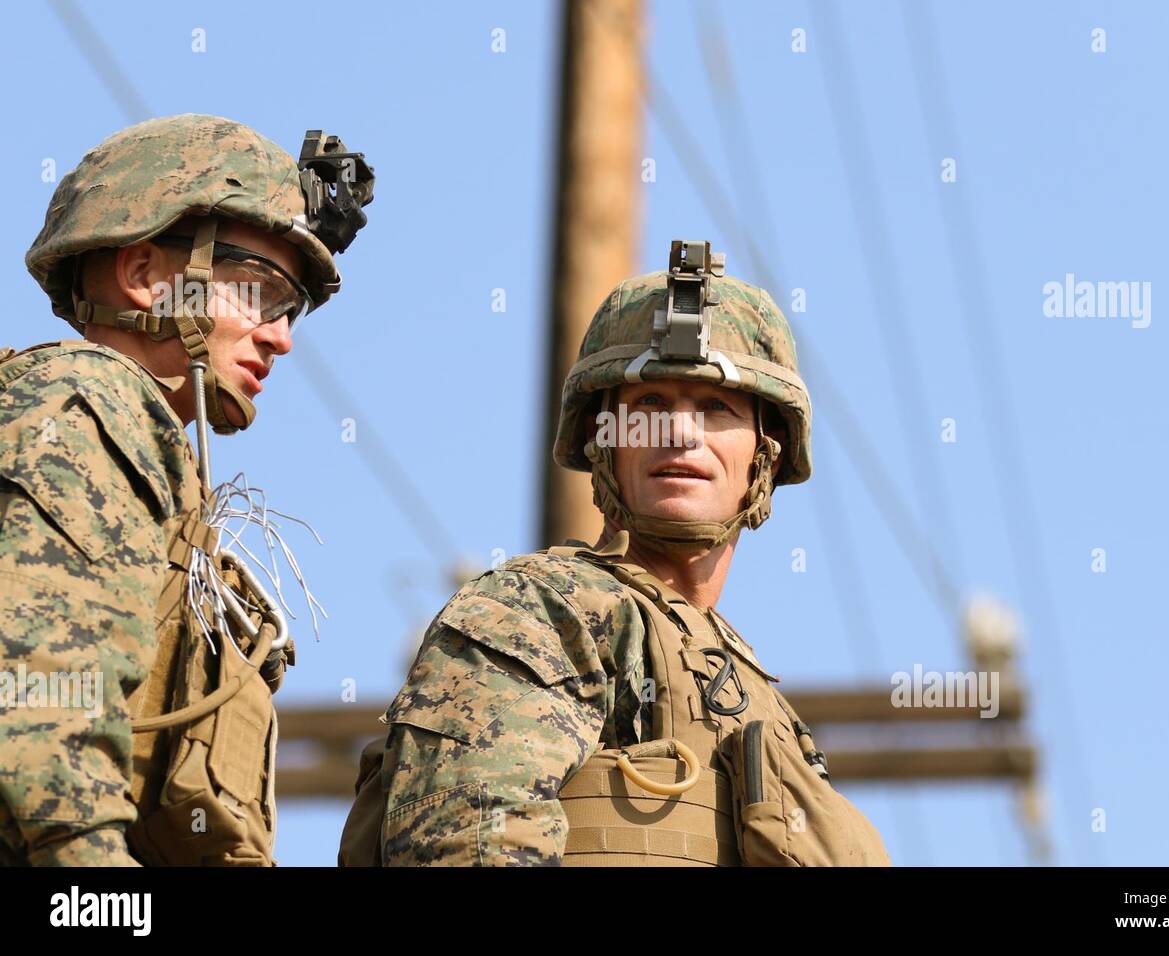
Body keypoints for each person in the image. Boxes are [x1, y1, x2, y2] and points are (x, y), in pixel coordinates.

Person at [340, 240, 890, 866]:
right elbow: (464, 845)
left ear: (765, 455)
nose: (681, 432)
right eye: (650, 406)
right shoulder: (545, 608)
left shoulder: (765, 707)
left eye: (716, 408)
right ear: (604, 447)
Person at [0, 114, 373, 866]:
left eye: (291, 307)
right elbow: (40, 685)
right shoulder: (87, 402)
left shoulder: (141, 447)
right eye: (261, 291)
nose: (282, 336)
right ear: (144, 277)